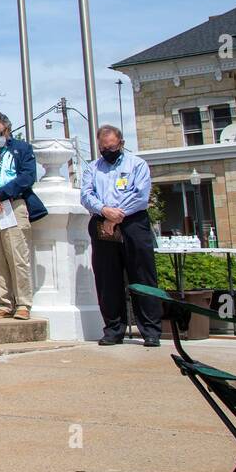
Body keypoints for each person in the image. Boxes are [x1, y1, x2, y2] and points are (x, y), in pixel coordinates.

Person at [81, 124, 161, 347]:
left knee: (142, 276)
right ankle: (114, 329)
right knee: (108, 279)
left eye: (112, 147)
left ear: (121, 144)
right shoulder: (92, 168)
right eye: (103, 148)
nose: (107, 151)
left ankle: (151, 330)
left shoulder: (137, 164)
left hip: (133, 222)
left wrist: (114, 216)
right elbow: (86, 195)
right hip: (102, 223)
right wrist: (104, 211)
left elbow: (141, 196)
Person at [0, 111, 48, 320]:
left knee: (17, 255)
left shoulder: (22, 149)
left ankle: (23, 304)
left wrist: (0, 195)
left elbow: (27, 177)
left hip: (12, 204)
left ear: (8, 129)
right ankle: (4, 303)